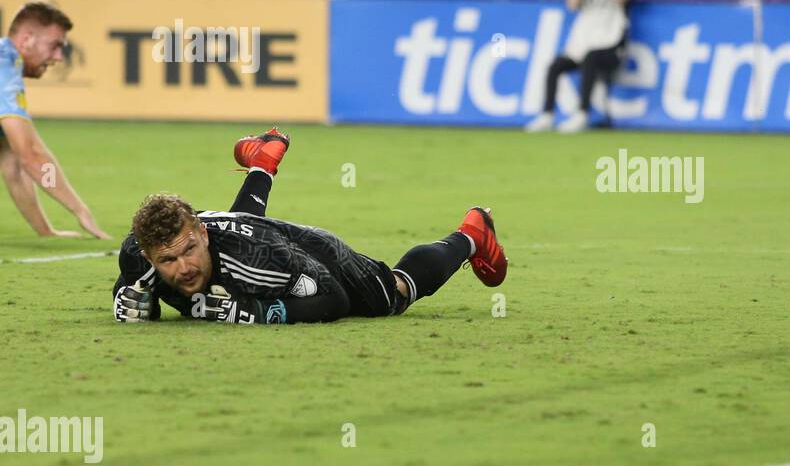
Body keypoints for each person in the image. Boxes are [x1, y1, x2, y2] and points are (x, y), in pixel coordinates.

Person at [112, 127, 508, 324]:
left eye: (188, 251)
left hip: (319, 255)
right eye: (167, 260)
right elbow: (130, 282)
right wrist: (130, 301)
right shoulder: (138, 253)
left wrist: (252, 310)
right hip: (244, 238)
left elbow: (333, 299)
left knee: (391, 296)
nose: (183, 268)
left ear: (200, 232)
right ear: (148, 255)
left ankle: (470, 235)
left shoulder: (265, 257)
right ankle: (263, 162)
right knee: (239, 241)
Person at [0, 0, 110, 238]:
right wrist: (79, 209)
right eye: (54, 46)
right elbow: (32, 157)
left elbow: (16, 165)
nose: (59, 57)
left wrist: (45, 231)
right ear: (27, 39)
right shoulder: (5, 69)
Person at [525, 0, 635, 134]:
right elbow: (573, 4)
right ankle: (547, 115)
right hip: (584, 42)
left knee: (591, 58)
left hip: (612, 45)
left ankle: (582, 114)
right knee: (555, 66)